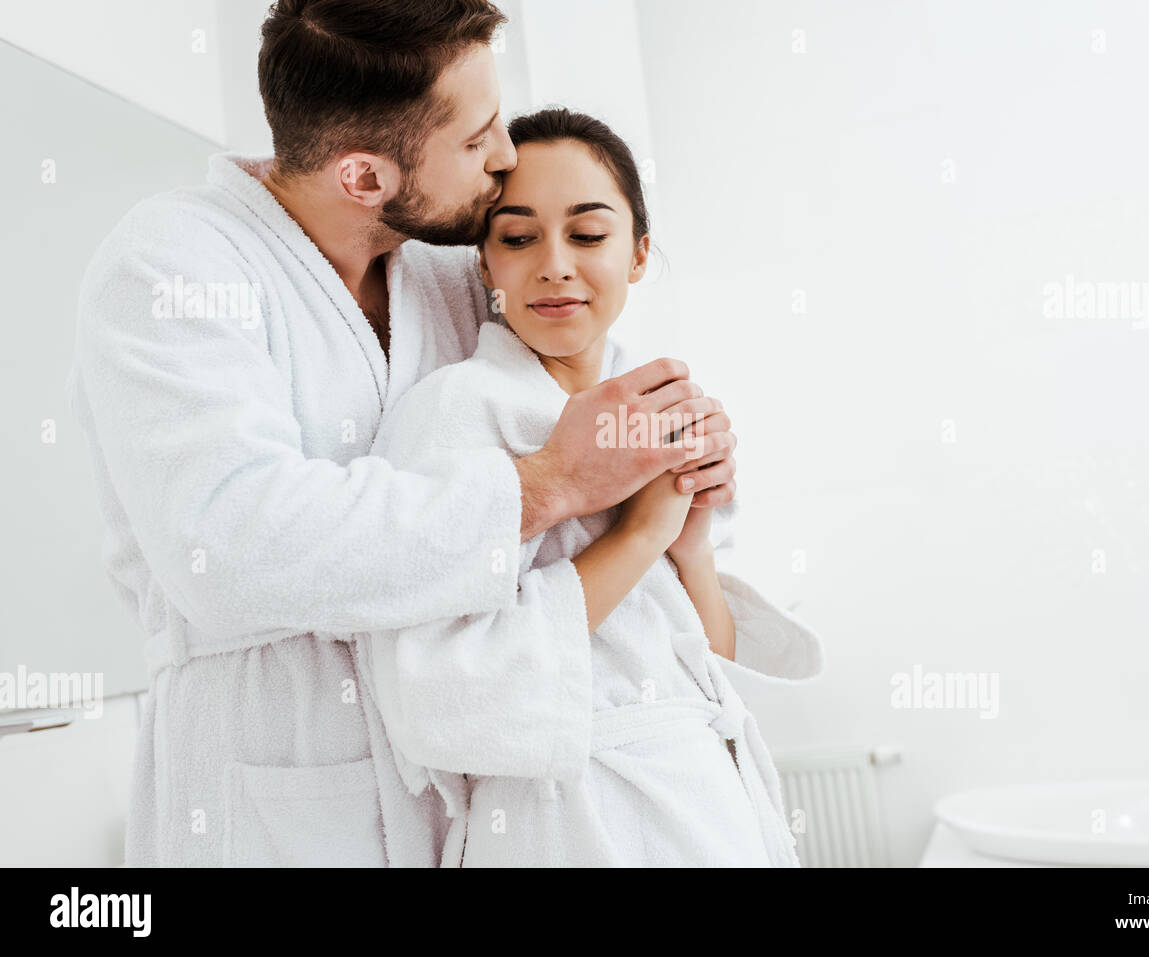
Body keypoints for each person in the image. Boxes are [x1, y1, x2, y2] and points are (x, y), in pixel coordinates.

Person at [68, 0, 738, 866]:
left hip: (476, 790)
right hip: (274, 782)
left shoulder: (446, 267)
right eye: (476, 140)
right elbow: (229, 543)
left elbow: (568, 388)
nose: (503, 158)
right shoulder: (171, 268)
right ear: (364, 178)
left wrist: (683, 447)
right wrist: (546, 485)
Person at [358, 108, 823, 866]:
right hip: (570, 825)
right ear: (484, 264)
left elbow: (705, 665)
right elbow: (441, 694)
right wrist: (639, 538)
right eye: (517, 237)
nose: (554, 264)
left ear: (638, 254)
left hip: (708, 802)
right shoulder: (453, 414)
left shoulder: (654, 406)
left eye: (587, 233)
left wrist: (690, 541)